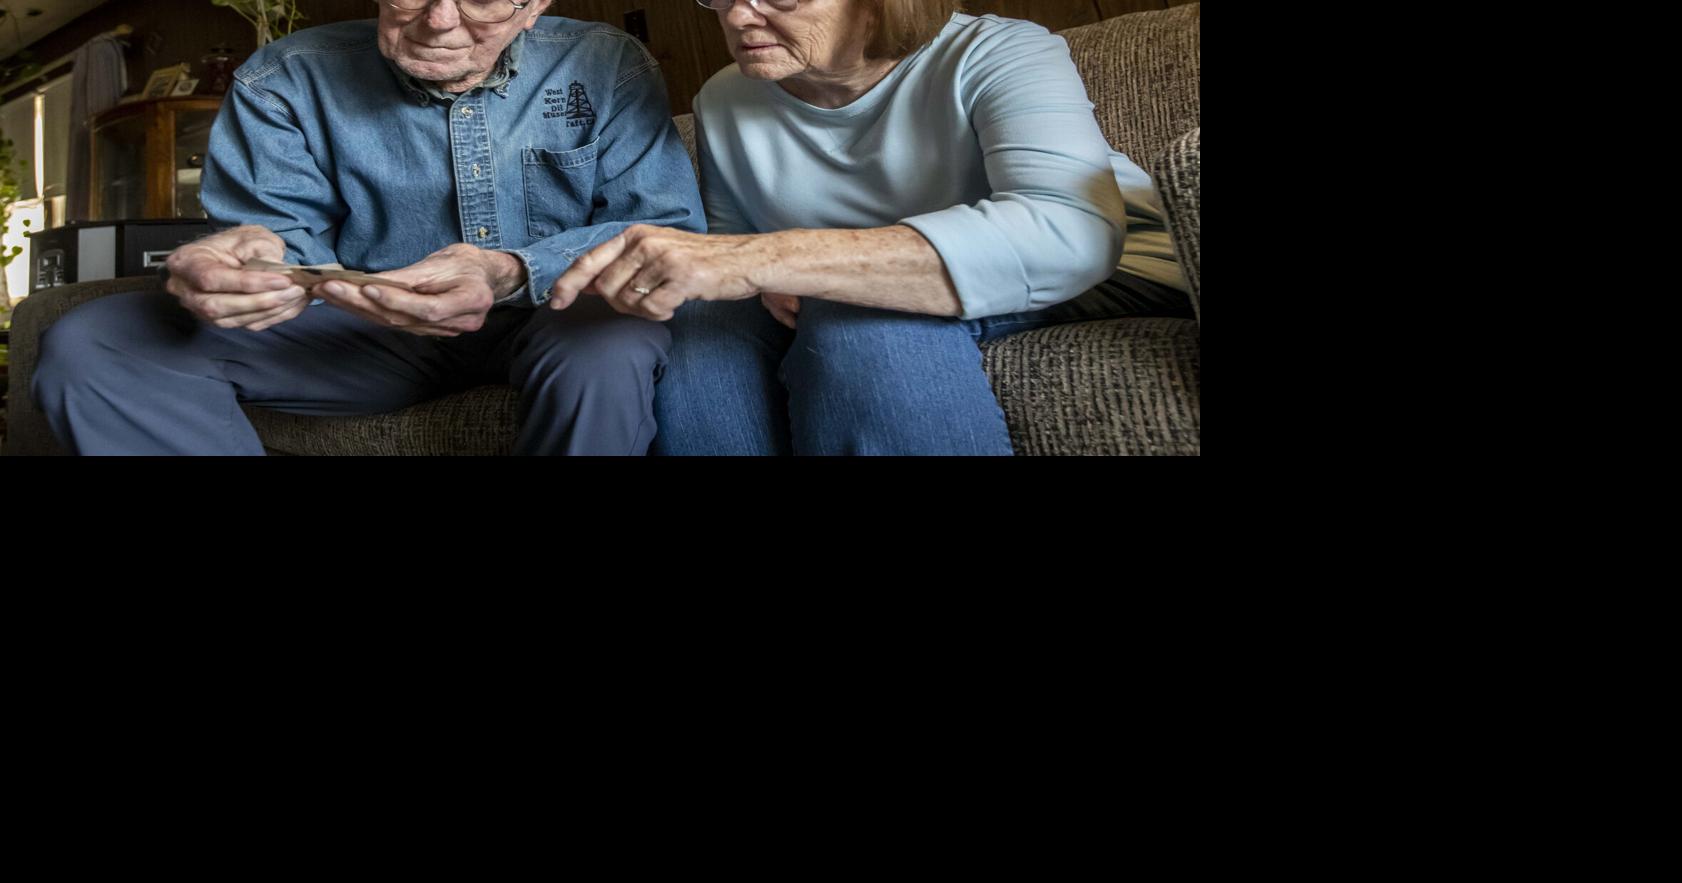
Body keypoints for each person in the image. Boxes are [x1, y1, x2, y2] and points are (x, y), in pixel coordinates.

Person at [33, 0, 702, 455]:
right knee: (95, 341)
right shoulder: (282, 80)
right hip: (361, 332)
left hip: (553, 318)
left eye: (483, 1)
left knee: (611, 345)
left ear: (534, 7)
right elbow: (274, 238)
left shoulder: (606, 63)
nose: (439, 21)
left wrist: (511, 270)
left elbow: (663, 228)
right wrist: (251, 265)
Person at [549, 0, 1193, 456]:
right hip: (848, 287)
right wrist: (754, 274)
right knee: (697, 328)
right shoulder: (726, 96)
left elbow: (1069, 233)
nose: (738, 17)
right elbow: (732, 238)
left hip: (1106, 273)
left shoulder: (999, 50)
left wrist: (782, 260)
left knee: (859, 318)